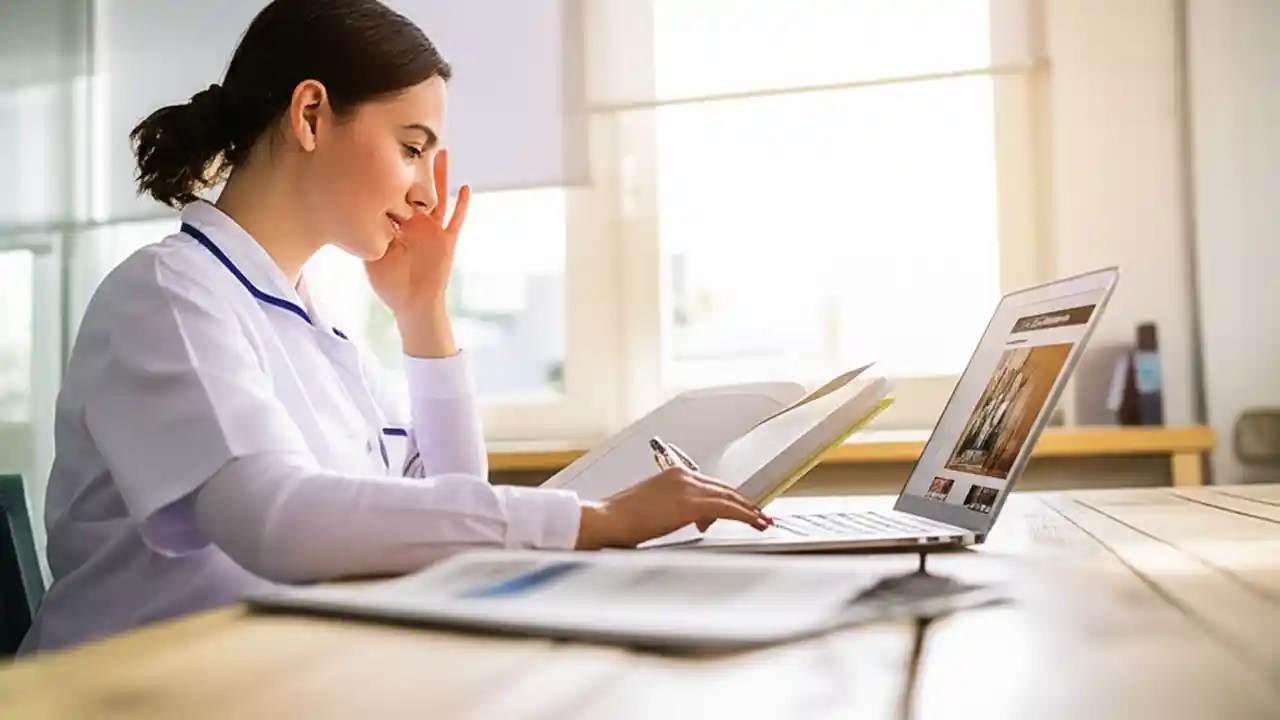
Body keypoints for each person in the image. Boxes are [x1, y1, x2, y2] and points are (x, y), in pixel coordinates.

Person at [20, 0, 768, 654]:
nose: (422, 191)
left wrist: (423, 316)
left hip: (274, 679)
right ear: (310, 115)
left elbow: (447, 512)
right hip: (127, 695)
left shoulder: (317, 330)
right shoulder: (168, 296)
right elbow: (276, 523)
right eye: (412, 149)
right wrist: (596, 519)